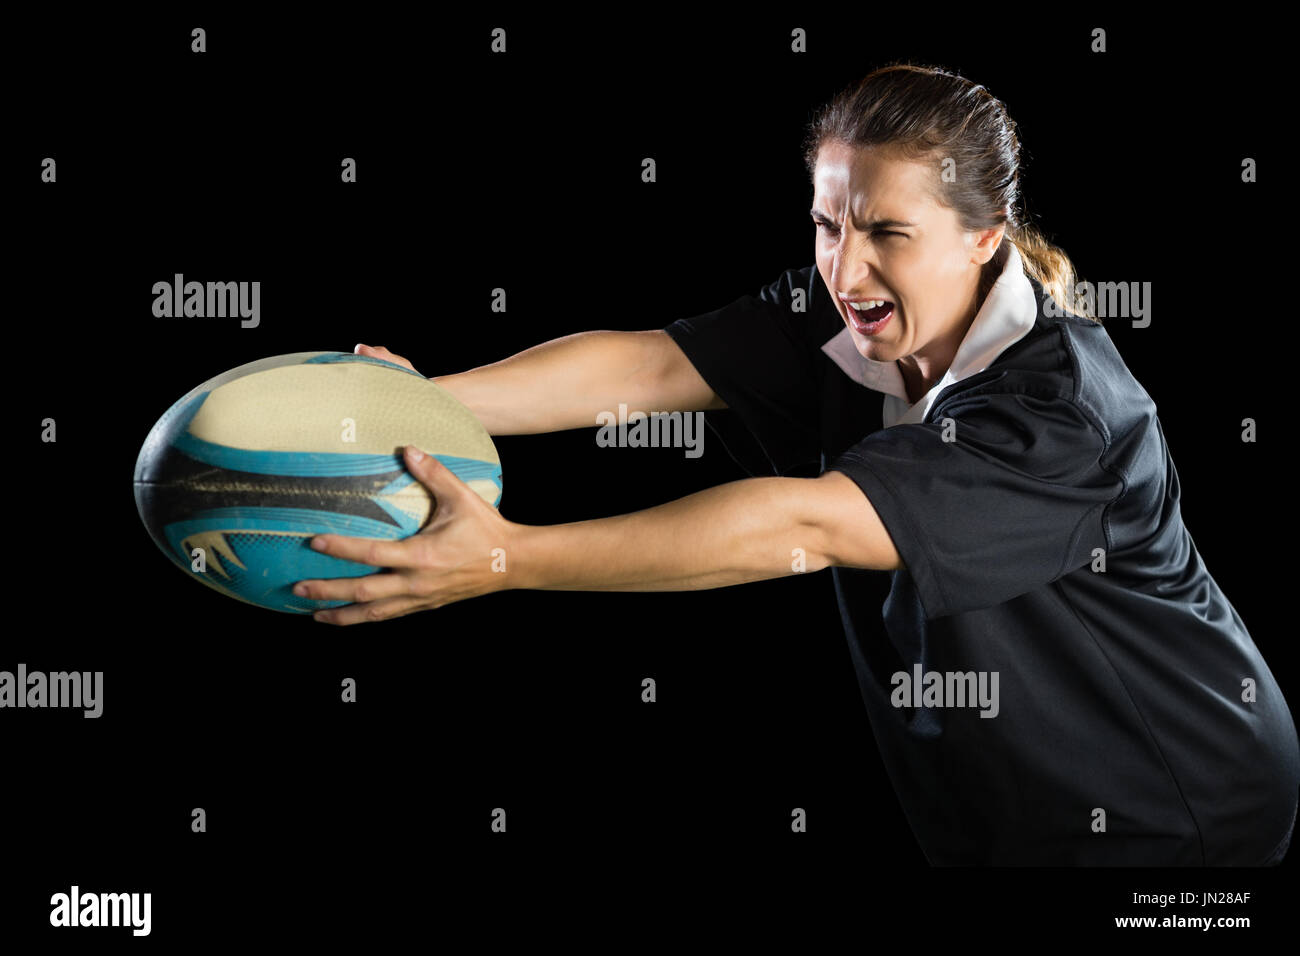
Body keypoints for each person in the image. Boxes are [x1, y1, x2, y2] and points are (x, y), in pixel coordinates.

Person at [293, 64, 1300, 866]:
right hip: (994, 801)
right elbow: (649, 366)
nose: (843, 267)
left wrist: (507, 556)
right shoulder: (851, 315)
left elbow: (806, 525)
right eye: (829, 222)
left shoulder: (1060, 408)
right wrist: (425, 400)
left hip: (1168, 804)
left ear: (985, 239)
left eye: (887, 233)